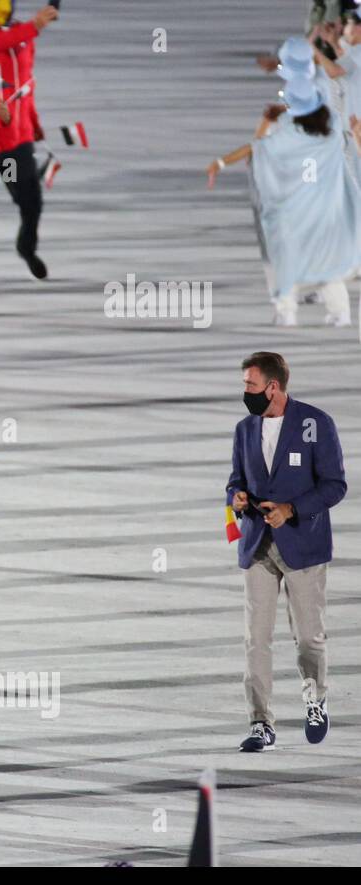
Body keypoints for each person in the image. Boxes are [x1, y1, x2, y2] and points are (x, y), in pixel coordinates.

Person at [226, 352, 346, 753]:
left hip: (303, 545)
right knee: (256, 640)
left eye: (250, 384)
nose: (245, 391)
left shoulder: (315, 423)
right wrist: (236, 497)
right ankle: (261, 723)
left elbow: (335, 485)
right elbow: (235, 481)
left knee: (309, 638)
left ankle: (315, 698)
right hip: (257, 545)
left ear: (273, 386)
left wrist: (291, 509)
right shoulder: (245, 429)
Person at [207, 62, 361, 328]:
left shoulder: (287, 134)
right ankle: (340, 312)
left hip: (295, 210)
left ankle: (286, 311)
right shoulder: (332, 130)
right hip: (327, 211)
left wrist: (220, 163)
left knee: (285, 260)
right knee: (327, 262)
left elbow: (255, 147)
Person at [0, 0, 60, 284]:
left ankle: (26, 248)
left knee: (29, 201)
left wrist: (33, 123)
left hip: (11, 149)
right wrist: (35, 26)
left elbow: (25, 85)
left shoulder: (23, 35)